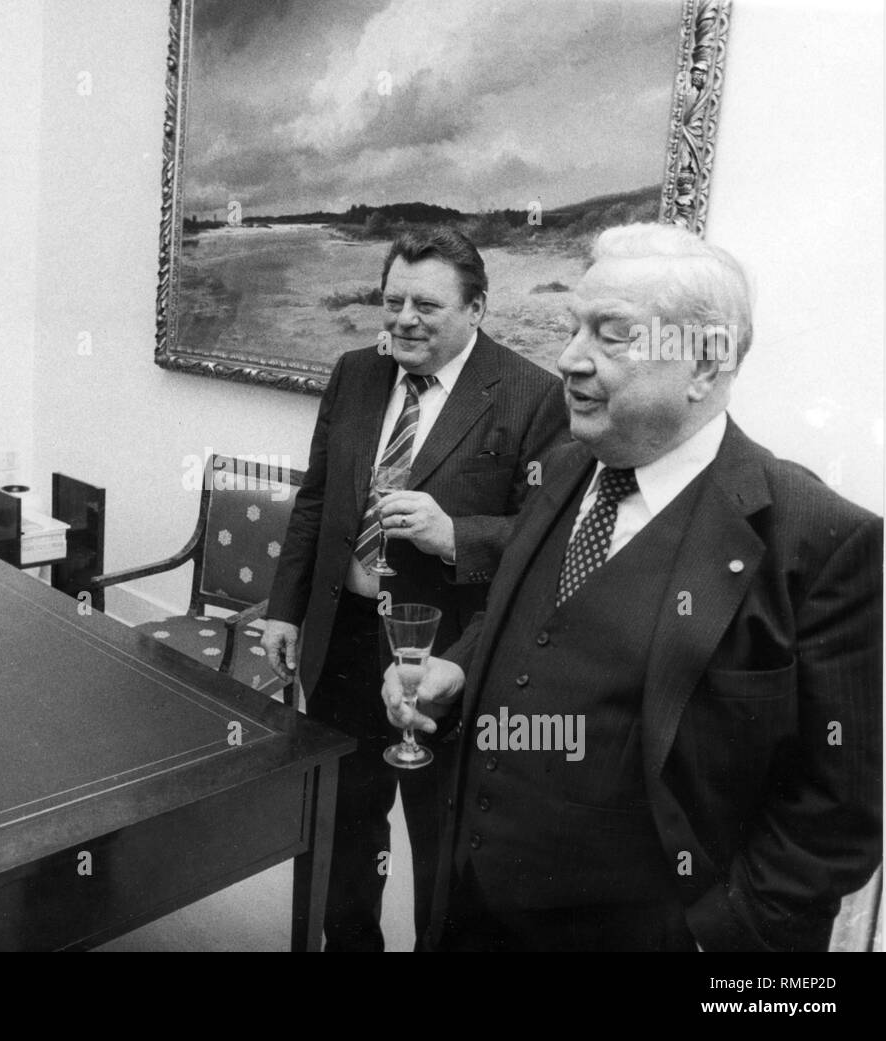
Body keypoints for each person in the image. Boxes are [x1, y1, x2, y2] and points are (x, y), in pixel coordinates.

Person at [383, 222, 883, 952]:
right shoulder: (563, 471)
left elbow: (837, 811)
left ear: (703, 363)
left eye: (612, 334)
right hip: (474, 911)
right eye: (573, 328)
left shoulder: (818, 541)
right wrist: (458, 670)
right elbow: (528, 618)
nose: (568, 359)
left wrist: (718, 940)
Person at [263, 225, 568, 951]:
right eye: (393, 301)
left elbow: (549, 537)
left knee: (443, 842)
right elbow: (316, 499)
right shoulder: (355, 372)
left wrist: (456, 533)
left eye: (426, 306)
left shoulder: (533, 396)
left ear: (476, 308)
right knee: (344, 824)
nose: (403, 320)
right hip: (343, 639)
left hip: (446, 655)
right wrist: (285, 609)